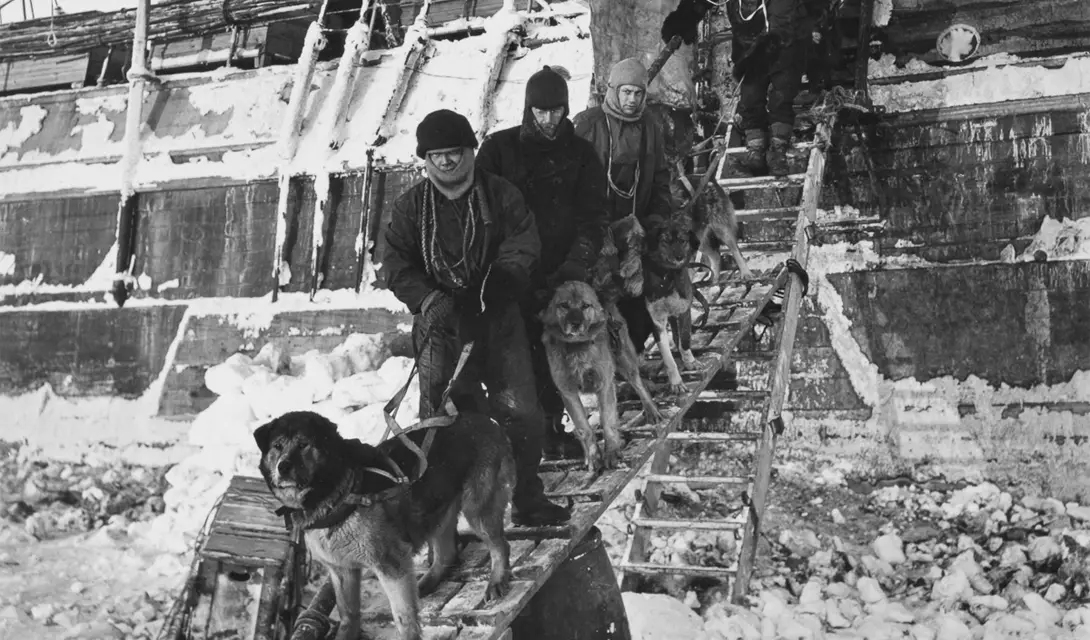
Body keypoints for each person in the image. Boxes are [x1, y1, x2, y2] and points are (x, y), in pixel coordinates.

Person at [382, 108, 571, 526]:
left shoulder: (500, 194)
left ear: (469, 151)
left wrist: (502, 280)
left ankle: (527, 499)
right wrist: (430, 298)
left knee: (521, 411)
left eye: (454, 152)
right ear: (426, 160)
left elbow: (524, 241)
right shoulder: (411, 206)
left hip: (497, 321)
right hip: (440, 327)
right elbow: (395, 264)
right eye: (437, 155)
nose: (447, 161)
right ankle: (444, 518)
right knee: (443, 421)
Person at [477, 66, 611, 461]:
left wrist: (575, 268)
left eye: (556, 110)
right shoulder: (499, 149)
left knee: (559, 350)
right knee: (516, 356)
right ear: (527, 108)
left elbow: (594, 217)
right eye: (540, 110)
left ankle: (555, 428)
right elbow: (482, 212)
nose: (549, 119)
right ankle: (518, 437)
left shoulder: (581, 154)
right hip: (512, 269)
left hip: (563, 272)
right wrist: (500, 268)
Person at [572, 57, 676, 353]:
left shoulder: (650, 126)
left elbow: (659, 176)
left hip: (634, 226)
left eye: (638, 93)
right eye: (626, 92)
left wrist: (657, 215)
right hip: (595, 229)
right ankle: (600, 362)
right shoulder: (588, 124)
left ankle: (633, 360)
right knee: (599, 298)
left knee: (636, 298)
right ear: (613, 90)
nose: (632, 100)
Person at [727, 0, 817, 176]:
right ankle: (756, 149)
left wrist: (810, 32)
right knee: (750, 99)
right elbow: (737, 22)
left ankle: (778, 151)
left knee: (781, 99)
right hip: (752, 53)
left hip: (786, 50)